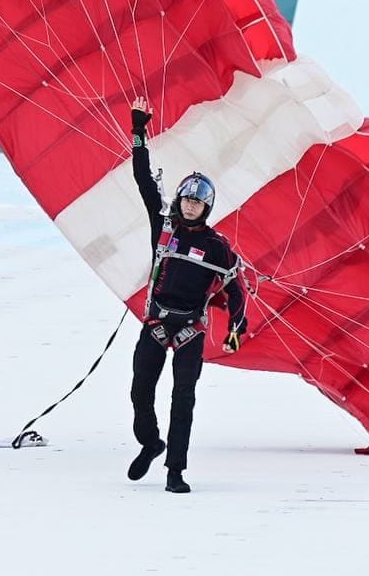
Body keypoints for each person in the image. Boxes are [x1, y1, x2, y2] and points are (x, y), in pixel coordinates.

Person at [127, 97, 247, 494]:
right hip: (158, 321)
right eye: (187, 199)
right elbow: (144, 179)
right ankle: (151, 443)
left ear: (207, 206)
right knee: (140, 390)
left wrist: (237, 324)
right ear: (179, 200)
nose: (191, 206)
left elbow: (236, 289)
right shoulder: (163, 227)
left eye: (198, 202)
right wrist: (139, 132)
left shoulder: (217, 247)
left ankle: (175, 470)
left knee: (184, 399)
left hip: (190, 329)